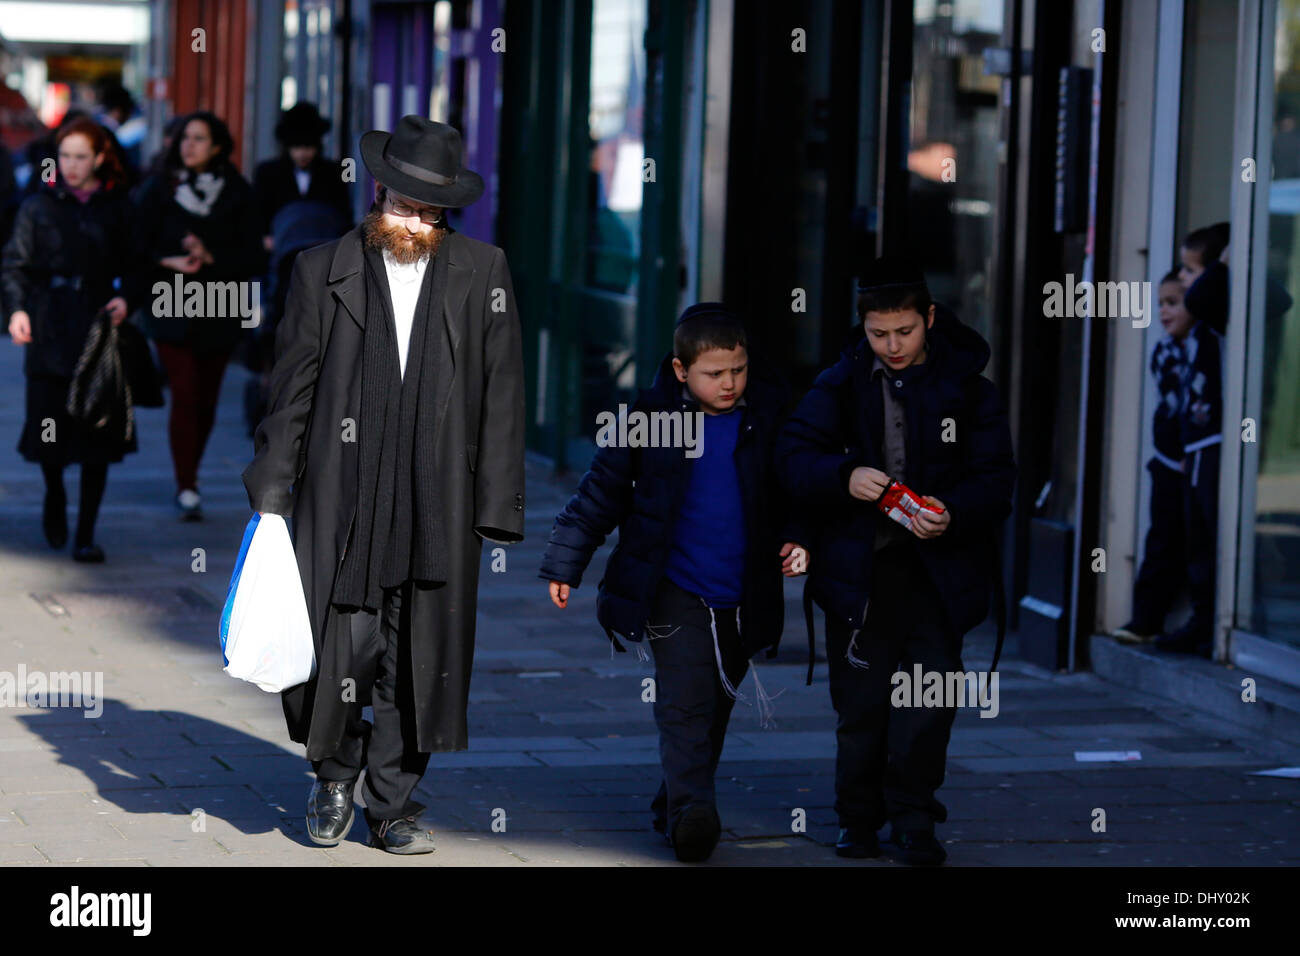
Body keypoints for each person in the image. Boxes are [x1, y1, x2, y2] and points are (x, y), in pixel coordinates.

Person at [242, 116, 525, 854]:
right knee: (338, 650)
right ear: (378, 192)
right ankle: (333, 776)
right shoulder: (318, 268)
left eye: (432, 211)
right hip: (342, 497)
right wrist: (272, 492)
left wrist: (496, 507)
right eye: (406, 205)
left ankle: (394, 805)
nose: (418, 221)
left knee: (418, 659)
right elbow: (292, 390)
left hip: (438, 501)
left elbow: (501, 396)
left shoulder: (483, 270)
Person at [539, 304, 810, 863]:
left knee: (716, 707)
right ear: (682, 371)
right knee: (684, 704)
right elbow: (600, 494)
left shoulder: (770, 416)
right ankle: (693, 815)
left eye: (738, 369)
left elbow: (799, 488)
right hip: (673, 589)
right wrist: (565, 562)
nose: (730, 382)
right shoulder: (650, 420)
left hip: (743, 591)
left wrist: (801, 536)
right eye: (715, 373)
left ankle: (677, 802)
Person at [776, 256, 1015, 865]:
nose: (892, 345)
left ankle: (914, 819)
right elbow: (793, 459)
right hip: (859, 574)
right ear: (863, 328)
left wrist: (953, 509)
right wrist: (843, 475)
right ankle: (856, 819)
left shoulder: (969, 389)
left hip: (939, 573)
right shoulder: (839, 383)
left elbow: (998, 479)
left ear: (929, 318)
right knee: (861, 707)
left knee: (929, 704)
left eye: (904, 331)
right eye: (879, 334)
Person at [2, 116, 143, 561]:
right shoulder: (39, 206)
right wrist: (17, 310)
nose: (72, 165)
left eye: (81, 157)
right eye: (66, 156)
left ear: (100, 158)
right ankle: (54, 492)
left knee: (96, 433)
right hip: (48, 324)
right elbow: (14, 263)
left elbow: (139, 264)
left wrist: (128, 300)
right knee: (48, 428)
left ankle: (86, 532)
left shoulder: (118, 206)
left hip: (98, 327)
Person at [134, 111, 262, 520]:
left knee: (205, 401)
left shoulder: (239, 192)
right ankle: (186, 484)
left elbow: (254, 256)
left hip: (222, 306)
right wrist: (167, 259)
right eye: (185, 137)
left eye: (200, 138)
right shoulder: (158, 189)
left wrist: (212, 256)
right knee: (185, 394)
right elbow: (134, 247)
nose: (188, 145)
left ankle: (191, 473)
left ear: (219, 147)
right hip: (171, 306)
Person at [252, 103, 352, 253]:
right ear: (287, 146)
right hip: (280, 251)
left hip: (322, 248)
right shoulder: (268, 172)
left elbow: (343, 215)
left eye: (308, 147)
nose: (302, 154)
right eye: (296, 147)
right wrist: (265, 238)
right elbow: (257, 213)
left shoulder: (335, 172)